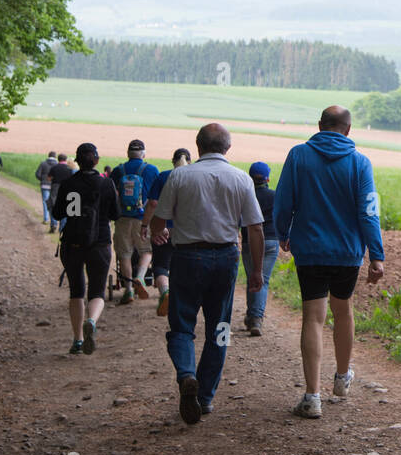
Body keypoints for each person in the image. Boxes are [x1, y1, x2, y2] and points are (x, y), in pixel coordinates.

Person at [272, 105, 384, 420]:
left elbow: (283, 200)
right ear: (348, 130)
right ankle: (342, 377)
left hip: (309, 250)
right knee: (343, 310)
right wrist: (376, 254)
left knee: (313, 318)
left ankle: (312, 397)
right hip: (347, 252)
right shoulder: (361, 163)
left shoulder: (298, 155)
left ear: (320, 126)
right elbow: (369, 211)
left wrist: (283, 232)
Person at [151, 123, 264, 425]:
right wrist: (255, 271)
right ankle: (205, 397)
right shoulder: (241, 179)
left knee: (181, 327)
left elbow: (158, 220)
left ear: (198, 146)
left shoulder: (179, 176)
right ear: (228, 147)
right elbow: (254, 227)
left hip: (187, 257)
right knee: (220, 330)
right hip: (225, 258)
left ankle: (187, 375)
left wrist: (158, 233)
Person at [51, 143, 120, 355]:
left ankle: (78, 340)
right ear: (96, 161)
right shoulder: (106, 184)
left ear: (77, 161)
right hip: (99, 243)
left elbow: (57, 213)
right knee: (97, 291)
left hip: (72, 243)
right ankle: (91, 320)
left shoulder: (68, 183)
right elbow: (115, 214)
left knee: (76, 291)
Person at [140, 148, 191, 319]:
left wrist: (146, 225)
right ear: (189, 161)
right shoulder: (195, 176)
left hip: (163, 229)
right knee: (184, 265)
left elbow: (153, 203)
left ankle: (165, 293)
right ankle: (183, 300)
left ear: (172, 161)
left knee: (161, 264)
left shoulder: (163, 176)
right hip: (187, 231)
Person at [109, 139, 159, 305]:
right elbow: (155, 196)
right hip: (143, 218)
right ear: (143, 154)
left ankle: (129, 290)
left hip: (122, 218)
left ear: (128, 153)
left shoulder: (118, 170)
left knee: (124, 254)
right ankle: (140, 277)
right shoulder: (151, 170)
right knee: (146, 251)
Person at [240, 161, 279, 336]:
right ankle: (253, 317)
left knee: (252, 278)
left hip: (250, 241)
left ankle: (254, 317)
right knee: (263, 278)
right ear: (267, 178)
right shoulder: (275, 195)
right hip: (271, 241)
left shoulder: (245, 195)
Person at [47, 153, 75, 234]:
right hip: (66, 188)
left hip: (55, 188)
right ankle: (62, 227)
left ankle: (53, 223)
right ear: (65, 160)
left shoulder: (54, 167)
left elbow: (49, 178)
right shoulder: (69, 169)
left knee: (52, 205)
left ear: (58, 159)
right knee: (65, 206)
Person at [35, 151, 58, 224]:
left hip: (44, 185)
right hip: (54, 186)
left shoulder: (43, 163)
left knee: (45, 202)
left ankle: (46, 219)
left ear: (48, 156)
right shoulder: (57, 165)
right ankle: (54, 220)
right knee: (53, 202)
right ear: (55, 157)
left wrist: (42, 179)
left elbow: (37, 174)